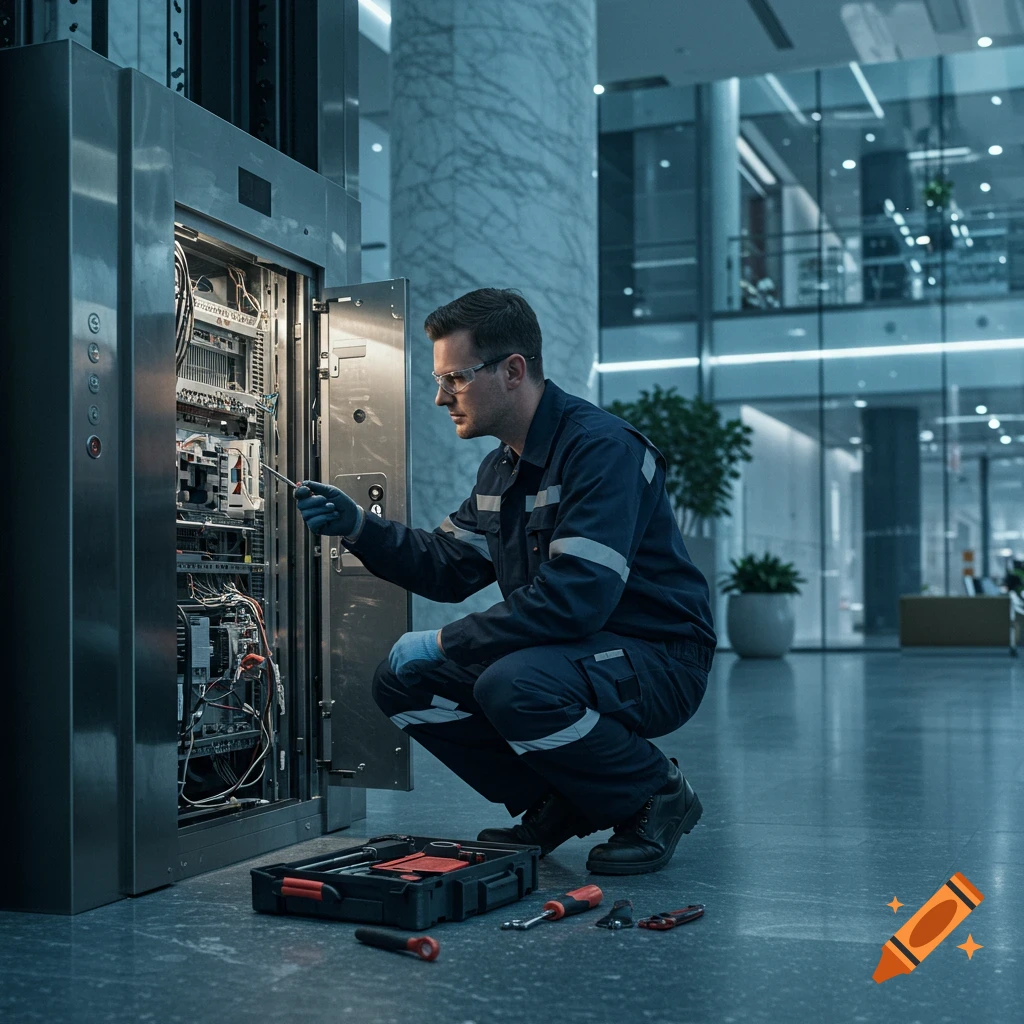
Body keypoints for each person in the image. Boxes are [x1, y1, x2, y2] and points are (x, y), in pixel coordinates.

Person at [295, 288, 716, 875]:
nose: (442, 397)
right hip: (574, 649)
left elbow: (576, 598)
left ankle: (656, 793)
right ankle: (554, 800)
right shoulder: (502, 468)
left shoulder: (602, 450)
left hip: (659, 656)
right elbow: (446, 564)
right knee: (404, 682)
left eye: (456, 379)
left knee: (514, 683)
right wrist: (359, 527)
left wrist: (445, 641)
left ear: (513, 371)